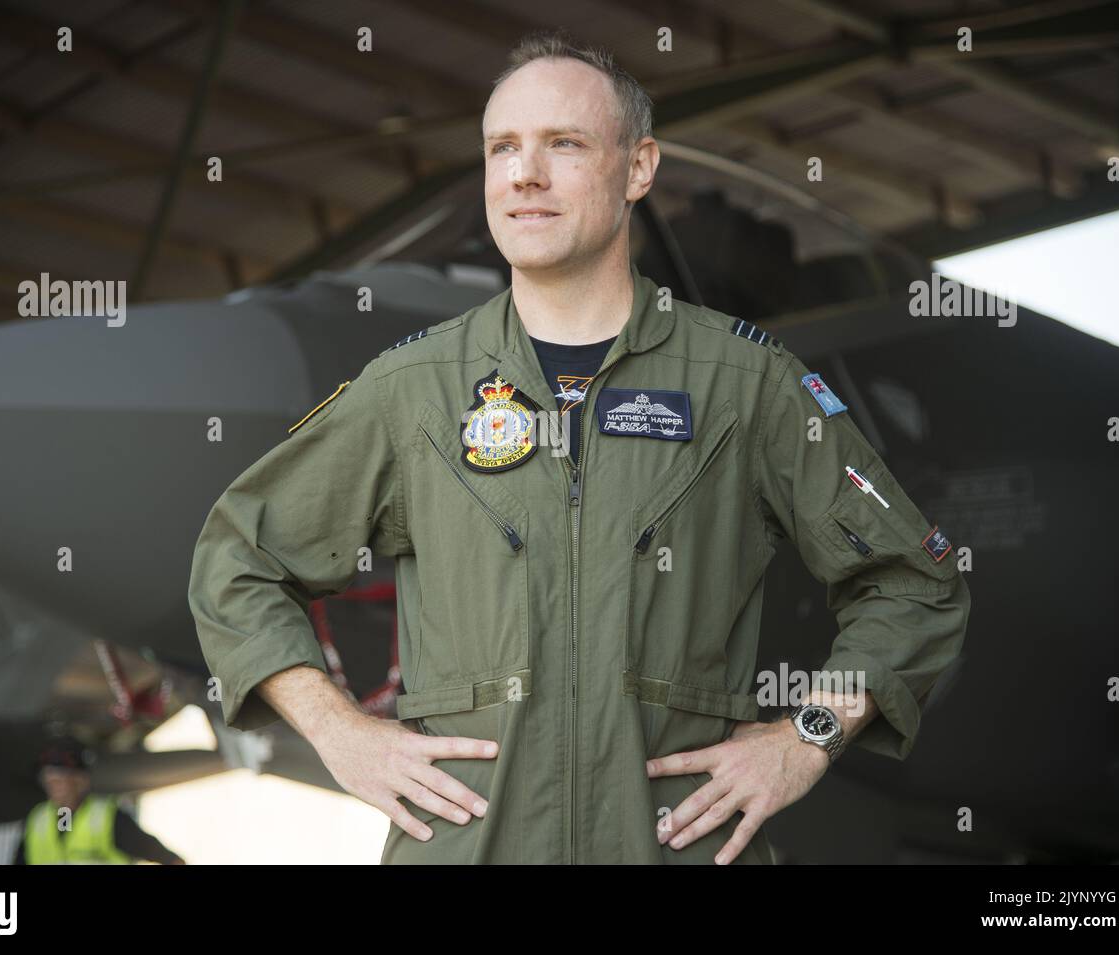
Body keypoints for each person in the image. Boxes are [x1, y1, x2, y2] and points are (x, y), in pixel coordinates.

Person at [187, 31, 970, 864]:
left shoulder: (748, 383)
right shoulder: (412, 388)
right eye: (503, 149)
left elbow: (915, 582)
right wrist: (341, 733)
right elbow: (239, 560)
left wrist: (806, 736)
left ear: (639, 168)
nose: (524, 173)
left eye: (563, 144)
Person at [13, 737, 185, 865]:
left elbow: (162, 855)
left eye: (59, 780)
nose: (53, 786)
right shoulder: (37, 820)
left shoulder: (107, 817)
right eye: (48, 781)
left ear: (80, 781)